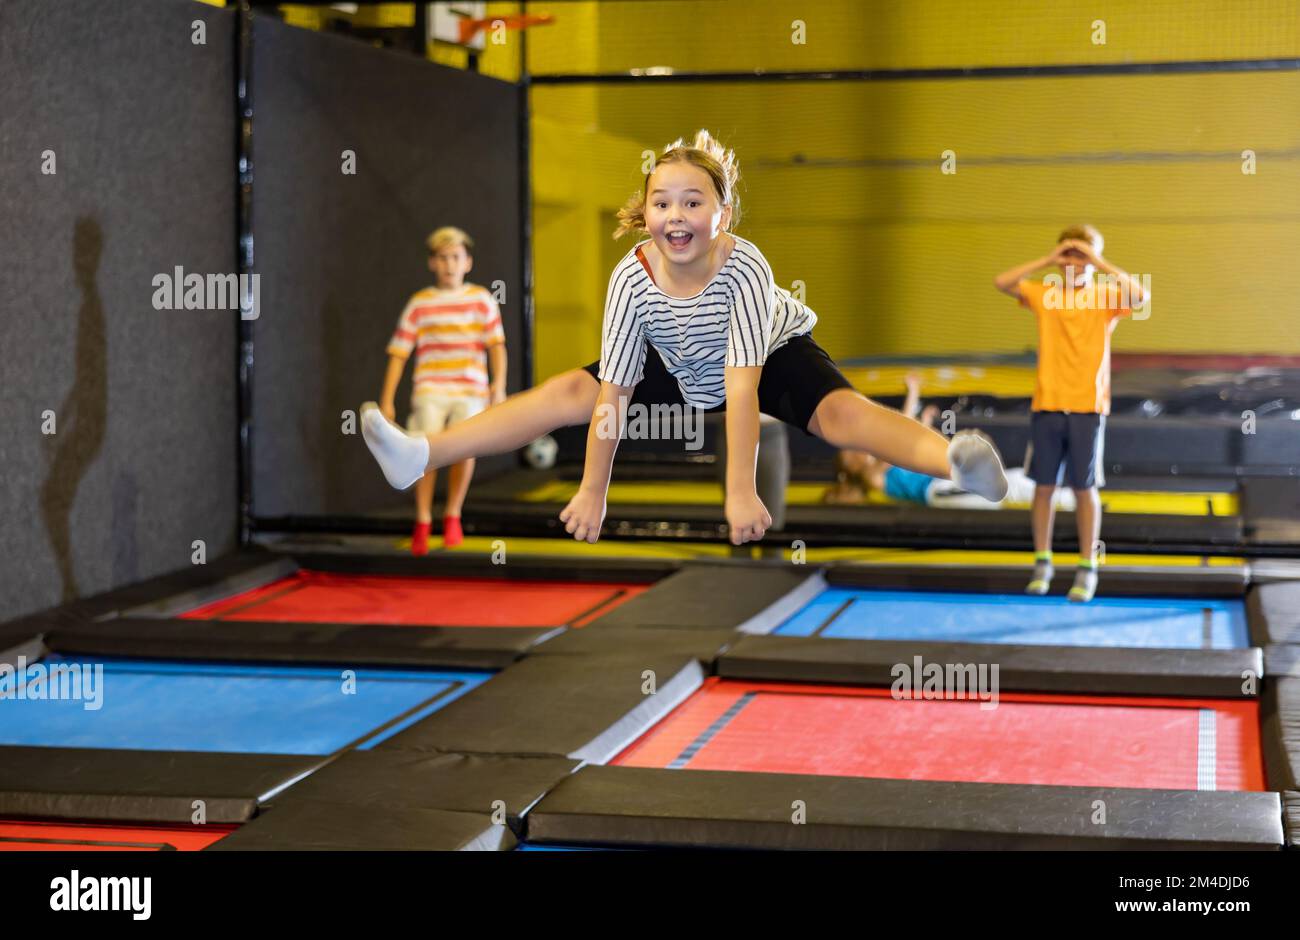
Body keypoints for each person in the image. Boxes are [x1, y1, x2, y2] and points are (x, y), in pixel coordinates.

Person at [362, 130, 1008, 547]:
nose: (676, 214)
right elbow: (613, 393)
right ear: (645, 214)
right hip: (674, 356)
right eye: (662, 202)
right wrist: (593, 488)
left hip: (765, 354)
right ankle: (419, 455)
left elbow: (744, 389)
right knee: (568, 391)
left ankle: (954, 464)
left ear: (722, 215)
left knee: (839, 415)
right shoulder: (633, 275)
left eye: (693, 201)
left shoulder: (746, 267)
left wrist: (740, 491)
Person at [994, 225, 1145, 600]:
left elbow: (1140, 297)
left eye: (1082, 255)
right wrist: (1050, 259)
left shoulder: (1105, 297)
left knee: (1084, 487)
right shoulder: (1045, 295)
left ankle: (1087, 566)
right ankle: (1042, 562)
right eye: (1070, 255)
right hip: (1048, 404)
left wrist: (1096, 260)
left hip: (1087, 406)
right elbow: (1002, 281)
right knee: (1043, 486)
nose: (1075, 262)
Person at [378, 226, 507, 554]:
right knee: (425, 449)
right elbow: (399, 352)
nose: (449, 264)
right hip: (431, 388)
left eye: (455, 257)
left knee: (465, 446)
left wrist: (499, 386)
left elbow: (496, 346)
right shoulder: (420, 303)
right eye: (442, 258)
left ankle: (453, 512)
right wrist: (387, 399)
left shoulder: (481, 299)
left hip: (470, 389)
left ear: (468, 262)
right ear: (432, 263)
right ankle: (422, 517)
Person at [823, 373, 1076, 511]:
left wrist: (923, 422)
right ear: (851, 471)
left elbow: (905, 436)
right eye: (852, 456)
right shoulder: (874, 479)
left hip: (945, 483)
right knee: (1003, 491)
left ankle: (1066, 500)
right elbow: (900, 430)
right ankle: (1065, 503)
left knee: (1010, 483)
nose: (858, 452)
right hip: (941, 491)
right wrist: (913, 396)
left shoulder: (880, 465)